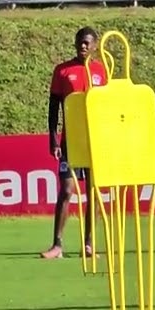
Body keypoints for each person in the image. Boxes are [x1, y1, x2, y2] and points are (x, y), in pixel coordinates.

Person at [40, 27, 107, 260]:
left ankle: (89, 244)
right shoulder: (63, 70)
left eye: (88, 43)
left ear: (95, 45)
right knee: (67, 190)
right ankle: (57, 245)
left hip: (95, 142)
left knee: (92, 192)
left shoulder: (101, 71)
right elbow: (53, 107)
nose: (83, 46)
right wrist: (53, 137)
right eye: (80, 42)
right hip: (70, 141)